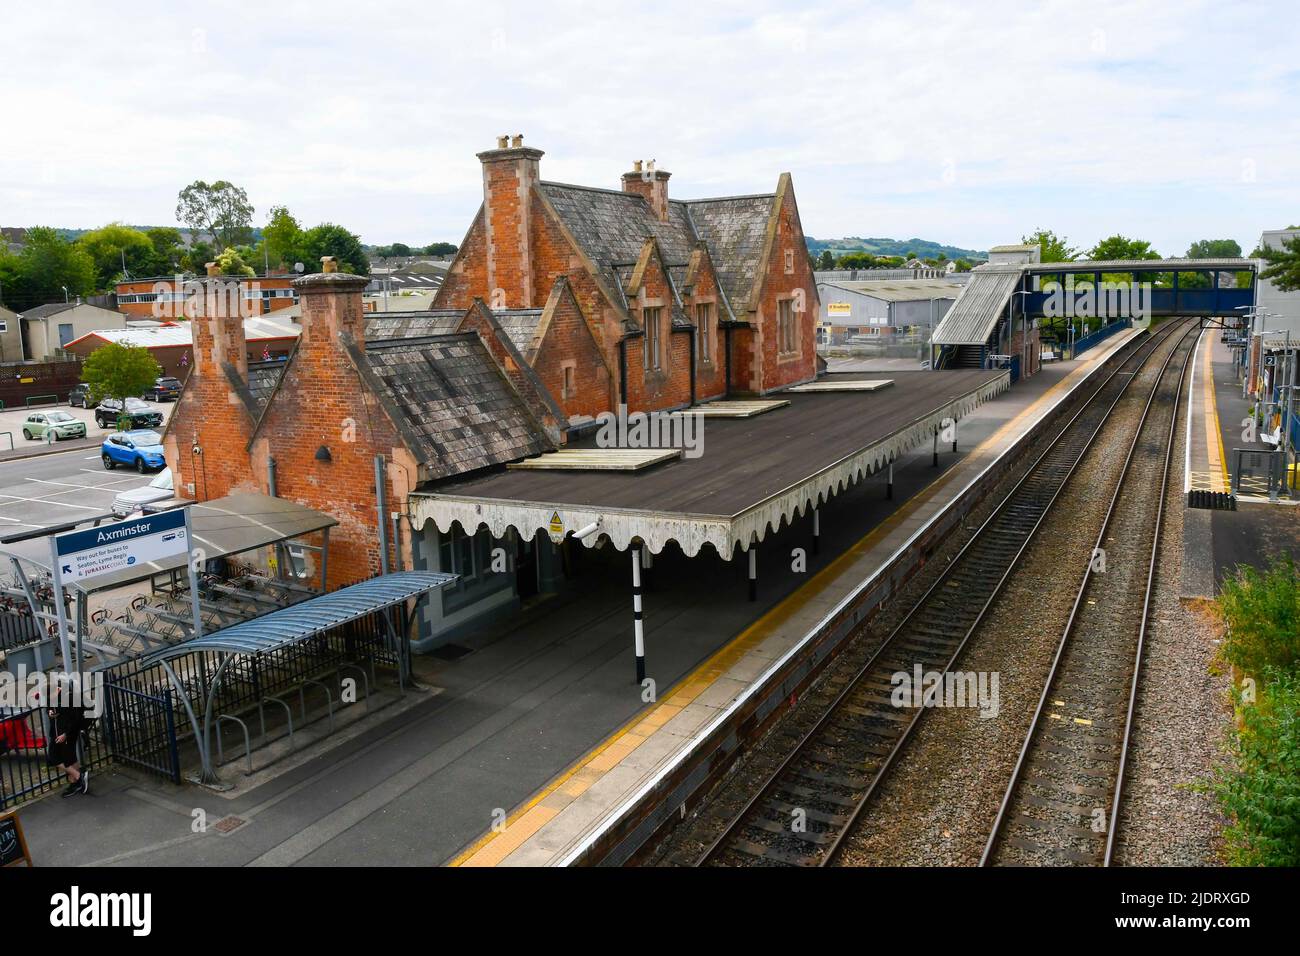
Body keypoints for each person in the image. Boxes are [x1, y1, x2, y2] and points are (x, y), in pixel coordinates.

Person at [47, 703, 89, 797]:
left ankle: (77, 779)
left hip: (67, 734)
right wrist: (49, 712)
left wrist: (66, 734)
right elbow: (49, 707)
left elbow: (75, 718)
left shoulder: (68, 697)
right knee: (61, 757)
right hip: (56, 732)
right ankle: (77, 780)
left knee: (64, 758)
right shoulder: (52, 696)